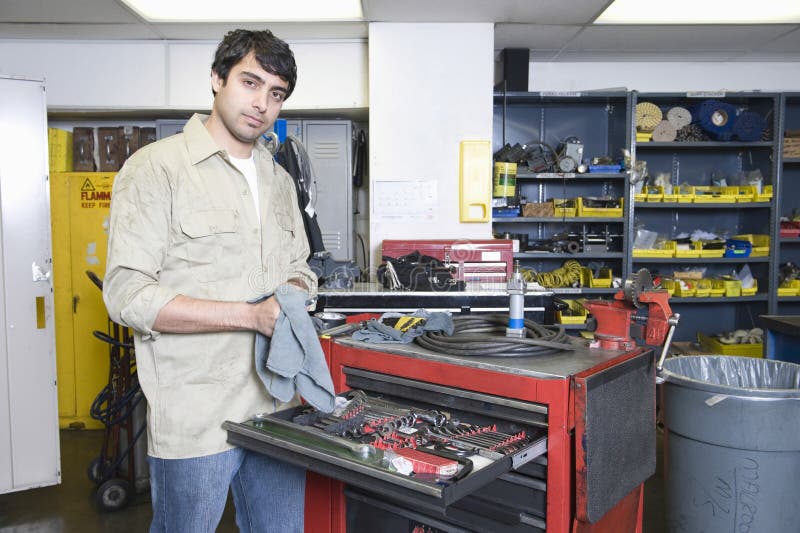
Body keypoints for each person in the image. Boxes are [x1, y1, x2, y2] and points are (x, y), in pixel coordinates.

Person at [103, 29, 316, 533]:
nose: (262, 103)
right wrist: (249, 315)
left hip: (278, 405)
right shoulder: (157, 169)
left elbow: (302, 267)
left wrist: (297, 292)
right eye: (250, 82)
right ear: (218, 79)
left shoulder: (279, 180)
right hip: (197, 417)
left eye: (276, 93)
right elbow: (127, 295)